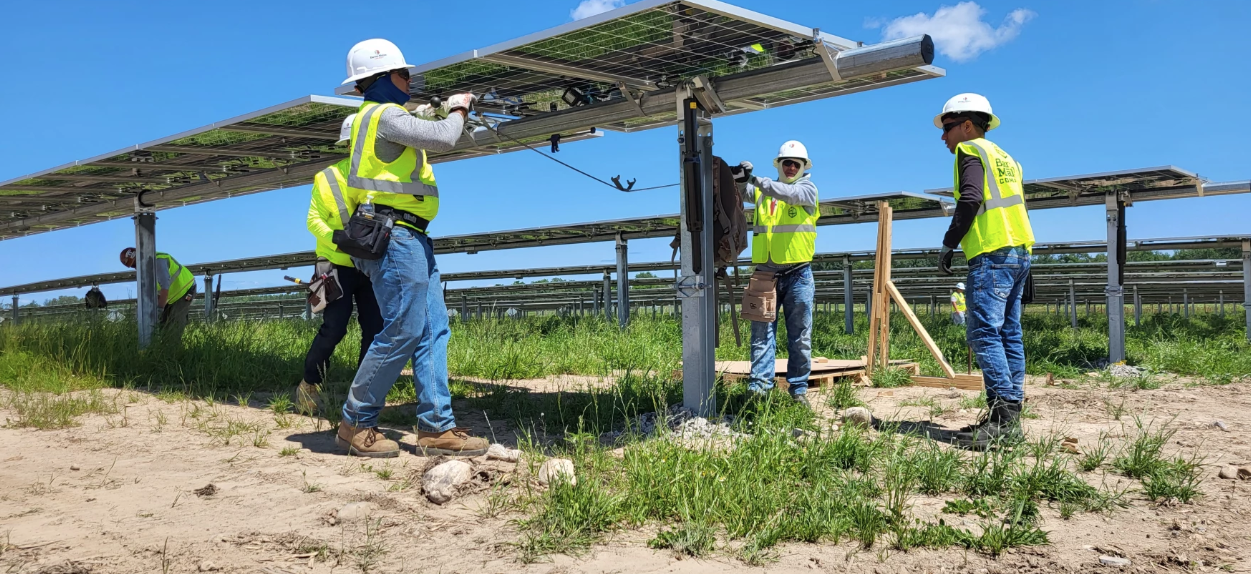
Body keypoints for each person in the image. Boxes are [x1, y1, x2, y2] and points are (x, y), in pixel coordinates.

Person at [333, 38, 487, 458]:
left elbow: (419, 133)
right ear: (380, 78)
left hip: (411, 235)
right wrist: (457, 109)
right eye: (404, 73)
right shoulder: (383, 115)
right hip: (396, 236)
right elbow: (443, 139)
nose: (410, 79)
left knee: (433, 329)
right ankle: (355, 421)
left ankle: (437, 428)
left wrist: (428, 113)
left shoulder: (382, 116)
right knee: (404, 327)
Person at [934, 93, 1035, 449]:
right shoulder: (1007, 158)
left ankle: (1003, 417)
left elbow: (972, 198)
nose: (943, 137)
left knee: (982, 334)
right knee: (1009, 333)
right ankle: (1008, 418)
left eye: (947, 128)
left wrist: (950, 242)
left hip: (992, 254)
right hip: (1019, 251)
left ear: (966, 125)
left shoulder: (970, 151)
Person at [295, 115, 384, 414]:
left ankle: (363, 396)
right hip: (335, 265)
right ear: (350, 145)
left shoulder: (383, 177)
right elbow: (313, 220)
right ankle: (309, 384)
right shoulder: (327, 177)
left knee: (375, 329)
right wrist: (340, 240)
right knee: (335, 327)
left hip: (370, 266)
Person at [735, 141, 819, 408]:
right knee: (761, 335)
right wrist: (738, 178)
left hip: (798, 274)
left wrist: (756, 179)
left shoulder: (807, 189)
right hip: (765, 276)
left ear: (804, 167)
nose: (791, 167)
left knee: (800, 336)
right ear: (779, 165)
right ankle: (759, 390)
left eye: (797, 163)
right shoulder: (761, 192)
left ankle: (798, 389)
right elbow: (739, 192)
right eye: (787, 163)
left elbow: (786, 193)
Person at [119, 247, 196, 342]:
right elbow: (155, 291)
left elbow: (165, 287)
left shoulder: (158, 261)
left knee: (174, 324)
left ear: (139, 256)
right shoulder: (146, 269)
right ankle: (165, 350)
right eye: (132, 266)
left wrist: (159, 309)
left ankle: (175, 352)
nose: (135, 268)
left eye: (134, 264)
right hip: (172, 295)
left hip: (186, 289)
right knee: (164, 326)